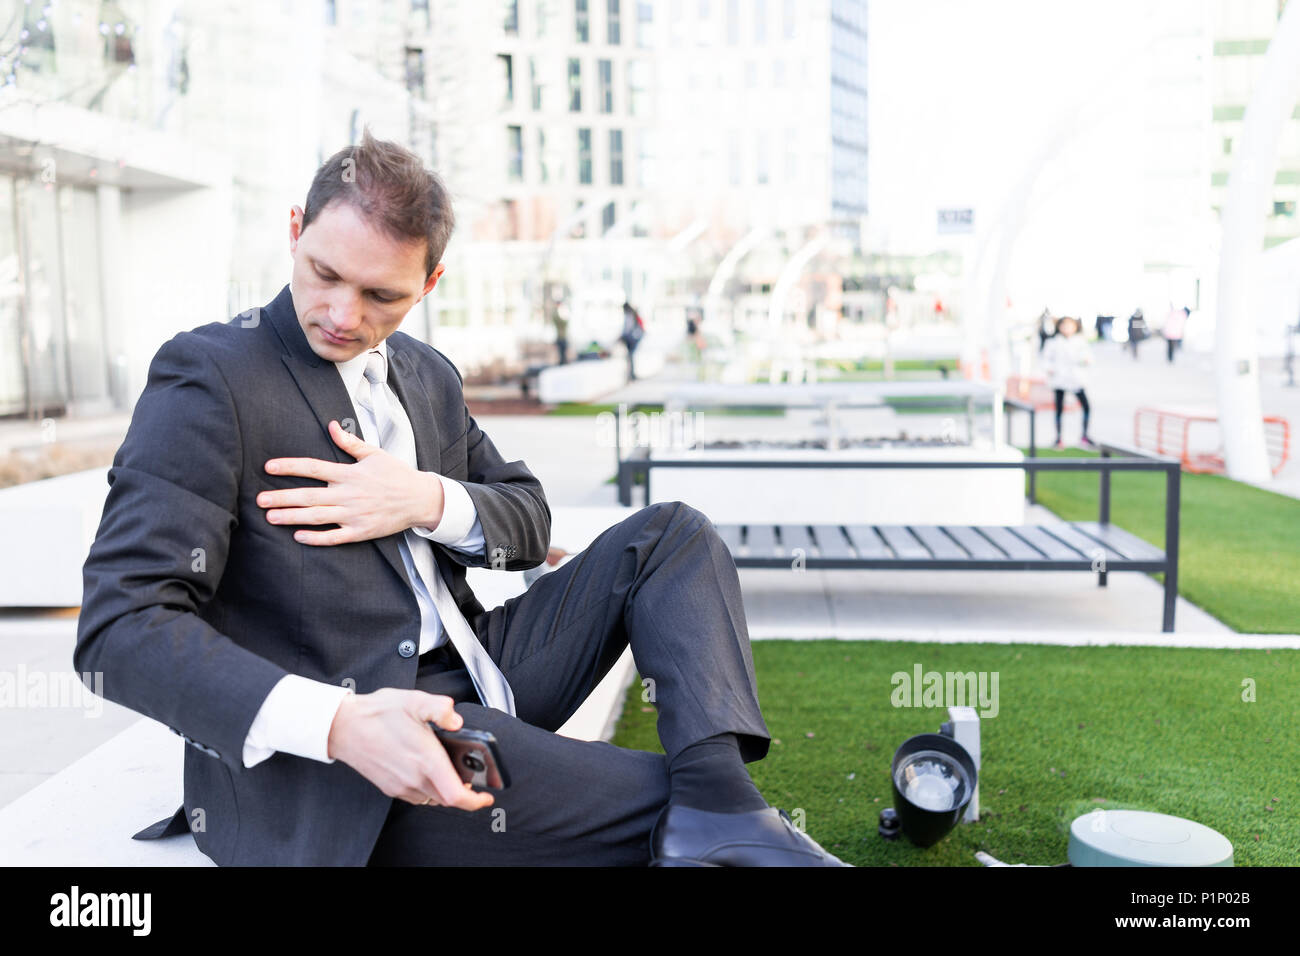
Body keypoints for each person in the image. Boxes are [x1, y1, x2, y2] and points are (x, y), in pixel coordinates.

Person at [75, 129, 845, 867]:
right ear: (294, 230)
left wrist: (426, 499)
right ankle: (713, 816)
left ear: (429, 284)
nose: (345, 316)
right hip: (352, 764)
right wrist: (342, 723)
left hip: (484, 672)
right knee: (651, 800)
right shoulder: (209, 377)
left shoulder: (425, 375)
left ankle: (721, 799)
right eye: (324, 273)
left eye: (382, 294)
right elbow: (120, 628)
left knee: (673, 535)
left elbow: (528, 517)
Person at [1041, 315, 1094, 449]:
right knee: (1059, 409)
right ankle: (1058, 438)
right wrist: (1051, 369)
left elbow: (1088, 357)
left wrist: (1085, 361)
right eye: (1064, 325)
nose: (1067, 328)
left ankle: (1084, 435)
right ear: (1059, 327)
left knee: (1086, 406)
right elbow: (1045, 360)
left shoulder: (1080, 342)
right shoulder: (1053, 342)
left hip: (1076, 379)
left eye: (1070, 325)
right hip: (1060, 379)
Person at [620, 299, 645, 381]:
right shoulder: (633, 313)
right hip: (636, 337)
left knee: (630, 356)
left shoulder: (629, 315)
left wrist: (622, 336)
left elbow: (627, 328)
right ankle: (632, 374)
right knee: (631, 356)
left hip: (632, 338)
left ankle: (631, 375)